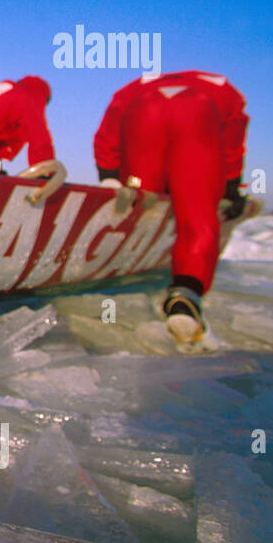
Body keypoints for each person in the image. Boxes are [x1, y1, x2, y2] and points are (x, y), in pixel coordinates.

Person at [92, 69, 251, 346]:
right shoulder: (223, 87)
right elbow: (233, 140)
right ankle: (184, 295)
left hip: (142, 114)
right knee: (198, 215)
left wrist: (109, 177)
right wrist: (230, 186)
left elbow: (108, 131)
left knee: (143, 199)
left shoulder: (135, 86)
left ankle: (124, 239)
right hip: (199, 115)